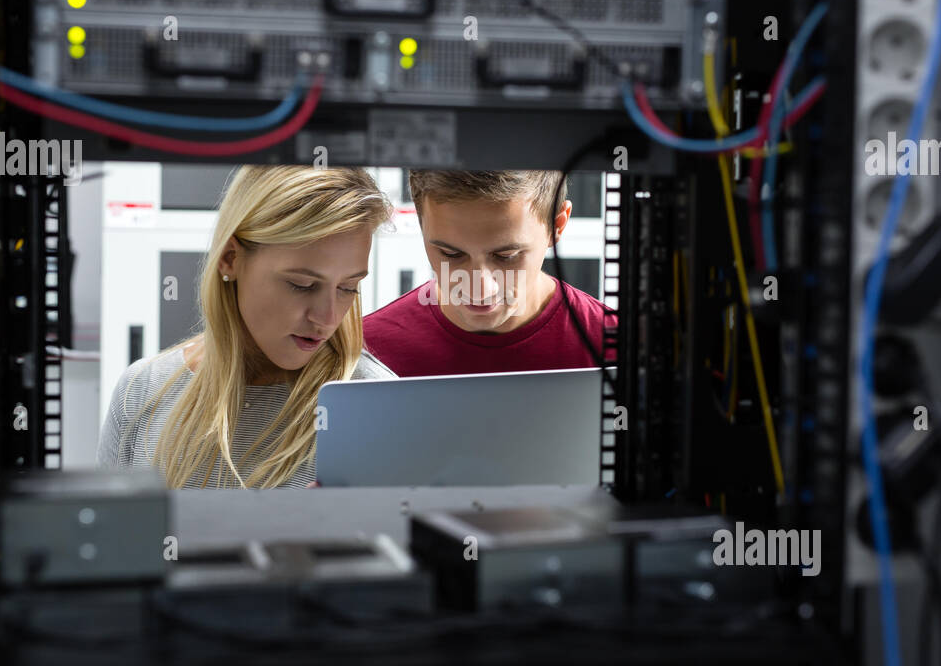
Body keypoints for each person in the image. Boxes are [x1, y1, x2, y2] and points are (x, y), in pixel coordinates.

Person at [97, 164, 395, 488]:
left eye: (348, 287)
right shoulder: (142, 391)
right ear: (230, 258)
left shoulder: (376, 407)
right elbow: (111, 536)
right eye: (302, 284)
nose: (327, 318)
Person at [363, 169, 614, 377]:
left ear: (557, 225)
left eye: (507, 256)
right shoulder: (363, 355)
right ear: (421, 223)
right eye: (451, 255)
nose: (479, 289)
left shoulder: (616, 347)